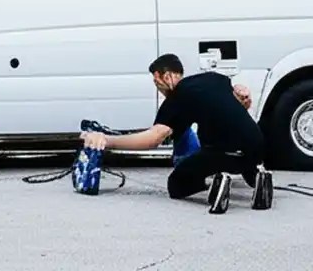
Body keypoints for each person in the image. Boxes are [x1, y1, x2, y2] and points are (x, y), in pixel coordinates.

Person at [79, 53, 273, 213]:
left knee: (176, 184)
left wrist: (107, 141)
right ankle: (259, 177)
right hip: (257, 145)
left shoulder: (178, 95)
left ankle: (216, 183)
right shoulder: (216, 78)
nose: (159, 90)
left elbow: (154, 137)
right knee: (218, 139)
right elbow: (238, 107)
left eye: (157, 83)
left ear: (167, 76)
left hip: (224, 152)